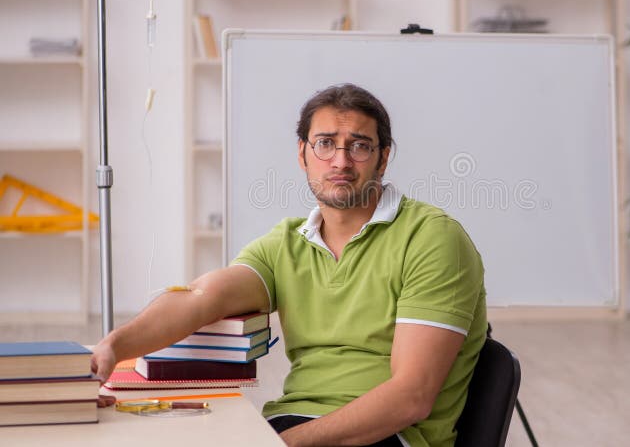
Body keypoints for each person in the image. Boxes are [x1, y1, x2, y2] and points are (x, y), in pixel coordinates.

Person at [92, 84, 487, 447]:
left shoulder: (433, 240)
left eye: (360, 146)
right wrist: (114, 346)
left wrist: (288, 443)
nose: (341, 160)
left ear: (383, 158)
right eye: (326, 144)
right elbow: (200, 297)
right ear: (302, 154)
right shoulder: (287, 243)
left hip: (388, 436)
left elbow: (410, 399)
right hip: (294, 424)